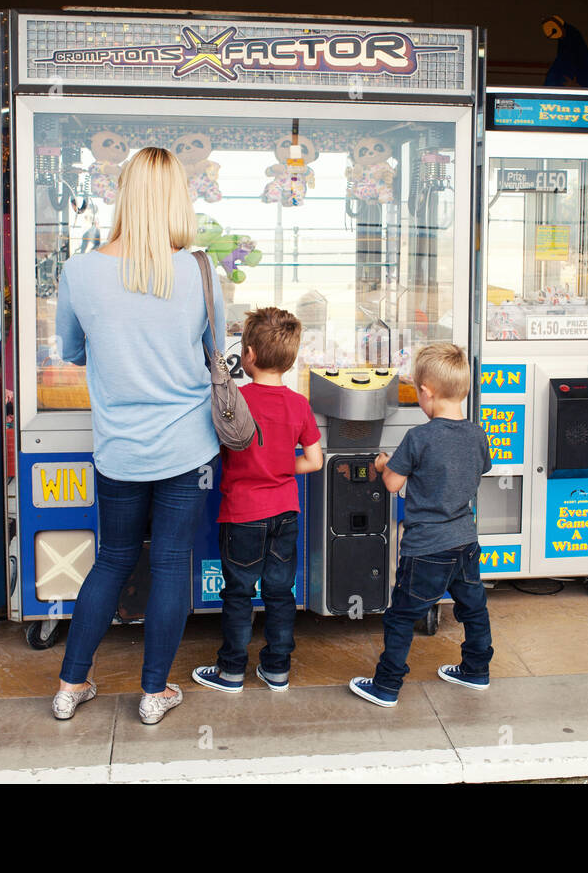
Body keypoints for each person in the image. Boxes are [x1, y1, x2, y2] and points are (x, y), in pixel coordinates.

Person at [51, 147, 224, 725]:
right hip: (187, 446)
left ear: (122, 195)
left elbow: (72, 351)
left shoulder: (80, 271)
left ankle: (70, 686)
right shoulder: (198, 269)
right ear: (177, 198)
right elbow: (215, 348)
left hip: (118, 447)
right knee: (172, 562)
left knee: (113, 559)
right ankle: (154, 694)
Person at [349, 342, 494, 707]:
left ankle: (385, 685)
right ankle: (476, 669)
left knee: (401, 616)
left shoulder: (419, 437)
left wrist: (384, 465)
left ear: (426, 394)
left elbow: (394, 484)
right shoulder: (478, 434)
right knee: (473, 608)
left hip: (427, 547)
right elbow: (480, 469)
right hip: (465, 542)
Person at [192, 306, 322, 694]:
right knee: (281, 593)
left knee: (238, 593)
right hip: (285, 513)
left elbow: (213, 447)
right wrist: (282, 465)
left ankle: (231, 671)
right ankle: (277, 669)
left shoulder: (235, 401)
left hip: (242, 514)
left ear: (247, 355)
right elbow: (314, 461)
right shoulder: (298, 404)